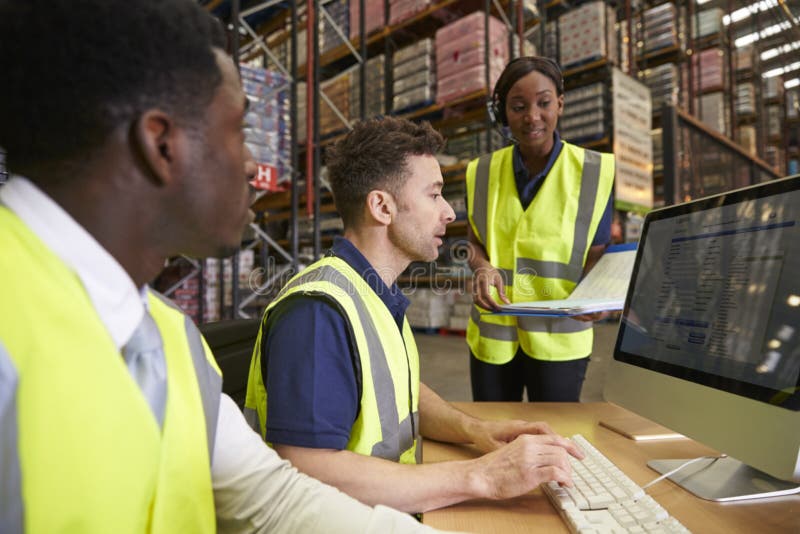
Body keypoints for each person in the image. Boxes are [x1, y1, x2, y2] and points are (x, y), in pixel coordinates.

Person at [0, 1, 452, 532]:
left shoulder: (171, 336)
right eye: (238, 131)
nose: (253, 169)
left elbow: (271, 499)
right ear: (161, 144)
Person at [244, 116, 583, 514]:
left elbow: (398, 387)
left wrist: (476, 431)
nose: (449, 212)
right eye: (434, 194)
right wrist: (482, 475)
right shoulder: (318, 312)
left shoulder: (371, 291)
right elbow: (309, 470)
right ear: (382, 207)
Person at [465, 56, 615, 403]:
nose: (532, 116)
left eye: (544, 103)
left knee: (553, 440)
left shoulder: (593, 172)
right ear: (504, 112)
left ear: (559, 105)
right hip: (495, 335)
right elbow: (474, 243)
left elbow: (597, 252)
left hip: (561, 337)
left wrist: (596, 296)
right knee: (494, 435)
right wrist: (483, 266)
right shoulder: (481, 172)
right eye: (518, 107)